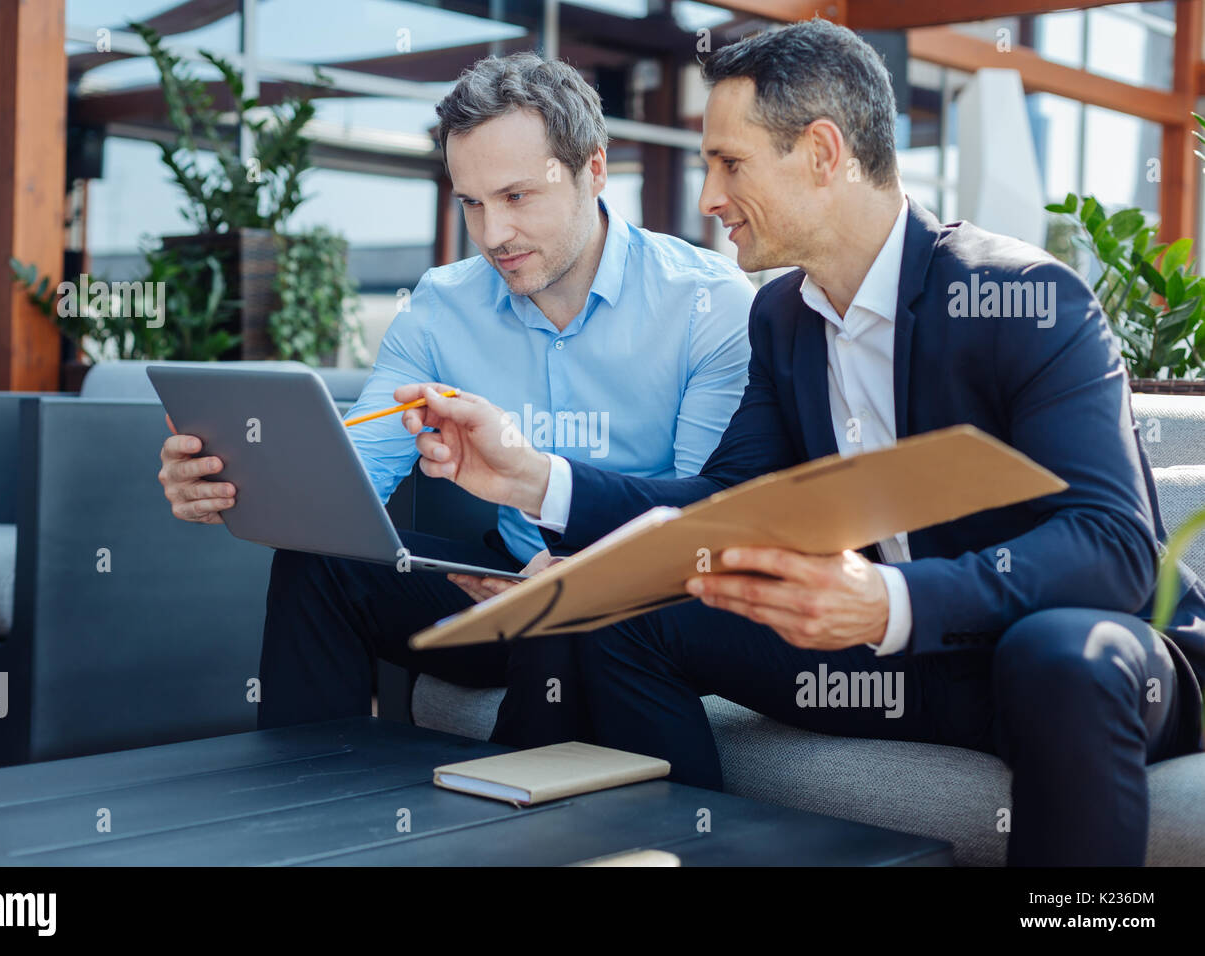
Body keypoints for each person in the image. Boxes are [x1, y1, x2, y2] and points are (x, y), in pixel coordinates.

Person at [391, 20, 1205, 866]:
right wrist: (530, 478)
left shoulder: (1024, 298)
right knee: (628, 617)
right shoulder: (784, 319)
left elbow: (1114, 546)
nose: (708, 198)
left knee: (1059, 655)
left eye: (729, 164)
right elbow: (722, 505)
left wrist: (891, 601)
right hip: (899, 661)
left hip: (1078, 659)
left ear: (822, 153)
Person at [156, 53, 755, 745]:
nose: (493, 234)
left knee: (567, 614)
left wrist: (572, 577)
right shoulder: (442, 305)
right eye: (471, 202)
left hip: (642, 603)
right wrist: (237, 482)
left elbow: (699, 518)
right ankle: (308, 799)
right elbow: (351, 480)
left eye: (516, 197)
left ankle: (510, 804)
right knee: (319, 564)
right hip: (500, 580)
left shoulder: (706, 303)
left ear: (593, 170)